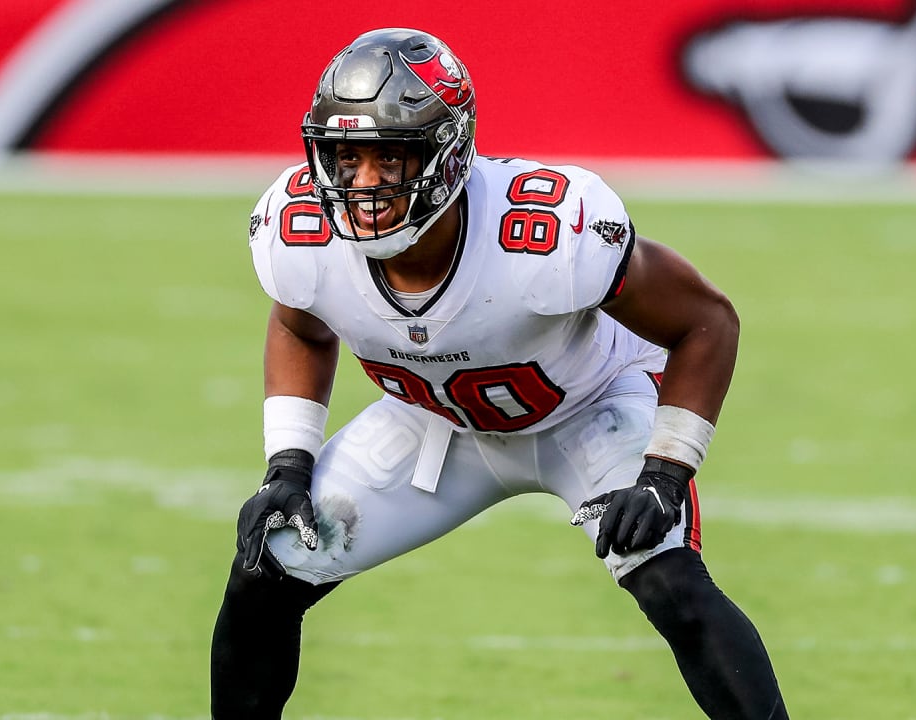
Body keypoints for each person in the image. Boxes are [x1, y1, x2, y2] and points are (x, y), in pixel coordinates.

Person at [211, 27, 789, 719]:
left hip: (589, 407)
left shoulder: (547, 233)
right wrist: (288, 466)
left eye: (390, 157)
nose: (363, 184)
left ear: (448, 154)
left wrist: (666, 474)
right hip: (437, 425)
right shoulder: (300, 232)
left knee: (672, 587)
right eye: (345, 157)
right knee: (264, 570)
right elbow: (298, 324)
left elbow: (706, 322)